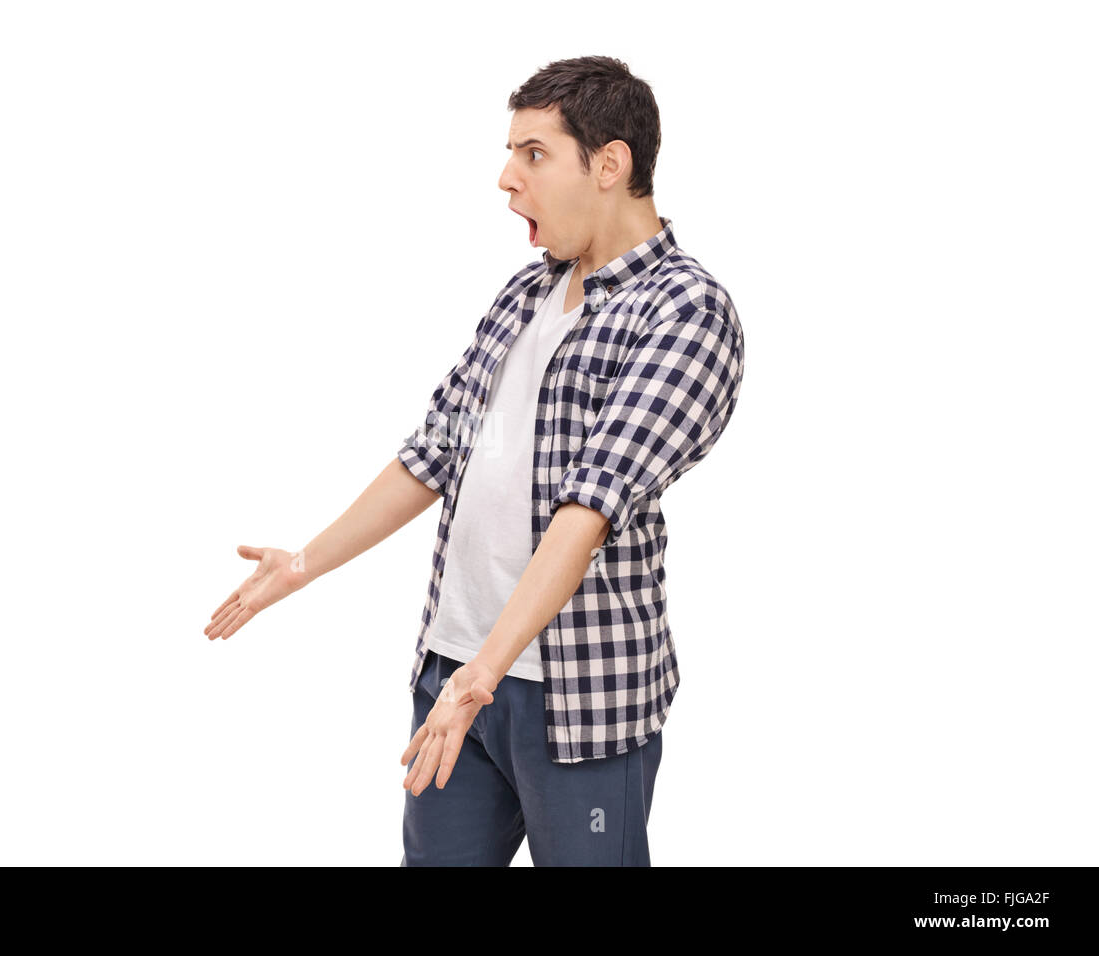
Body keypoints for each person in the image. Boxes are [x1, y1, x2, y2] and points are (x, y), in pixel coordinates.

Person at [204, 55, 745, 866]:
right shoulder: (525, 295)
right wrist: (304, 564)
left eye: (533, 153)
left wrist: (481, 678)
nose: (506, 178)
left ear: (610, 164)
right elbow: (434, 453)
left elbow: (589, 509)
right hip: (453, 674)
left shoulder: (686, 310)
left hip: (576, 701)